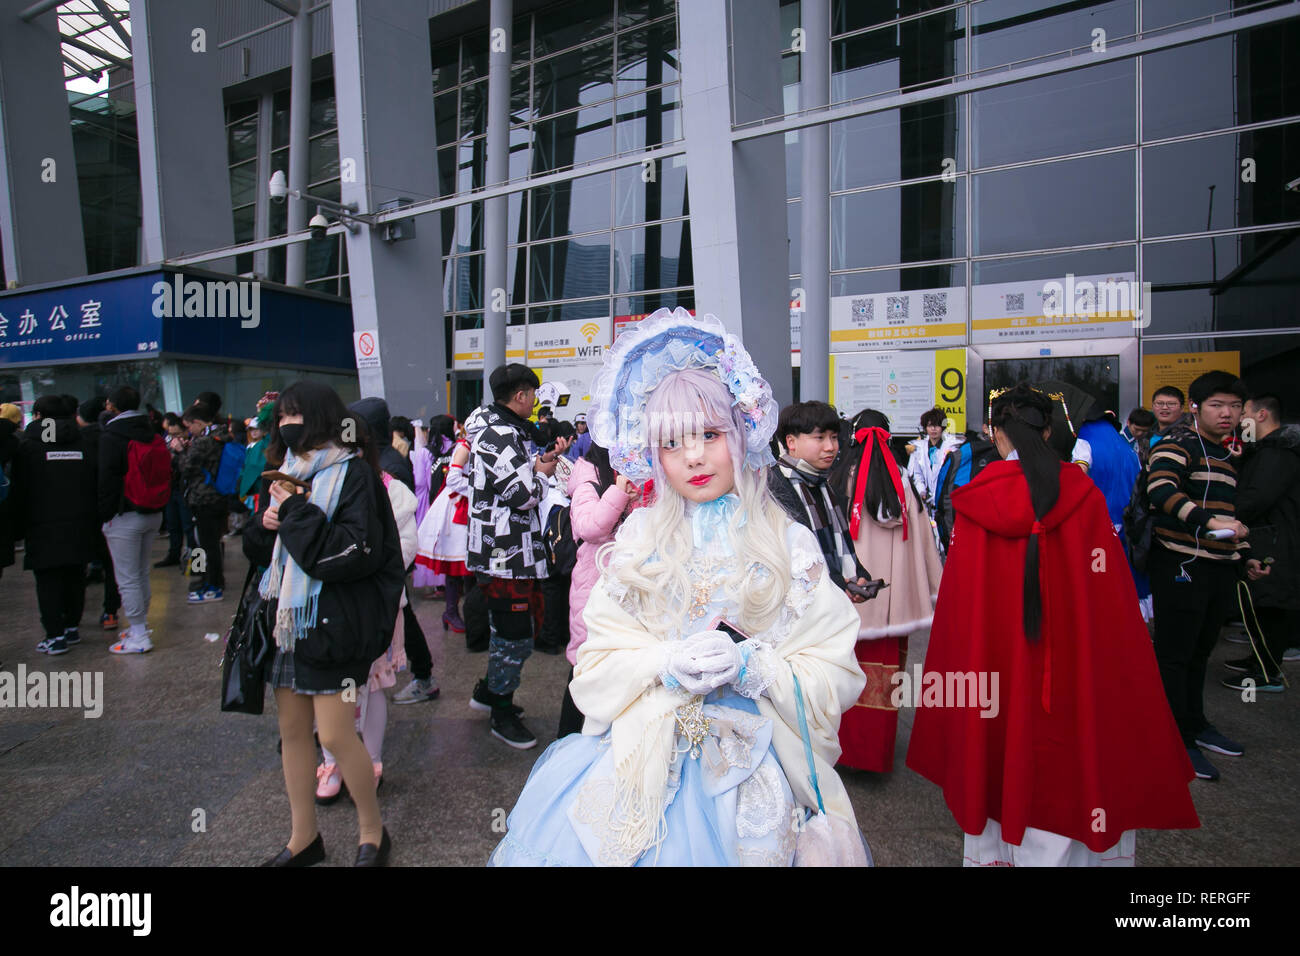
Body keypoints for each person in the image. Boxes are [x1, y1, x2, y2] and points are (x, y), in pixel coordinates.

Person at [489, 308, 870, 867]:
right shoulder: (639, 537)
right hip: (645, 754)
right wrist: (666, 661)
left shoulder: (787, 542)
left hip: (756, 771)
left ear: (741, 436)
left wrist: (754, 668)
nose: (693, 456)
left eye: (710, 435)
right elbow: (596, 659)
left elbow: (834, 666)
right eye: (672, 443)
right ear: (651, 456)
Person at [907, 384, 1200, 865]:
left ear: (996, 434)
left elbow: (964, 614)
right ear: (1048, 432)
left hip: (996, 672)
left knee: (997, 753)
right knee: (1078, 755)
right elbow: (1109, 604)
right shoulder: (1082, 496)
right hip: (1071, 666)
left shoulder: (977, 501)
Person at [241, 380, 404, 866]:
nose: (287, 426)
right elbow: (260, 553)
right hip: (287, 622)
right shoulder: (288, 470)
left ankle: (373, 831)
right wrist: (264, 524)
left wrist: (291, 512)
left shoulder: (354, 474)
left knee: (334, 735)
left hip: (335, 625)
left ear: (322, 419)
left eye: (297, 416)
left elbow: (350, 553)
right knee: (292, 732)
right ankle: (303, 838)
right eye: (282, 418)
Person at [1146, 371, 1253, 781]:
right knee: (1175, 654)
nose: (1226, 413)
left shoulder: (1227, 454)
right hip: (1179, 561)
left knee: (1201, 652)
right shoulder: (1178, 444)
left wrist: (1244, 553)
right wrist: (1210, 523)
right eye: (1216, 405)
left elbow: (1233, 514)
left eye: (1233, 405)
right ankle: (1174, 738)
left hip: (1219, 564)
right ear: (1196, 408)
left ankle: (1195, 724)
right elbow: (1161, 490)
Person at [830, 409, 944, 772]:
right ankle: (875, 755)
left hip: (847, 601)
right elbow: (925, 543)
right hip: (889, 604)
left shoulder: (838, 482)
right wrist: (932, 588)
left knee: (841, 675)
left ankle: (839, 752)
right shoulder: (905, 485)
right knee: (882, 677)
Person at [464, 364, 570, 749]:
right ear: (522, 395)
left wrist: (537, 467)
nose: (536, 402)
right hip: (505, 555)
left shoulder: (500, 430)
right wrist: (542, 473)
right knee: (515, 636)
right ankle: (501, 710)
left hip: (504, 553)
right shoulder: (501, 434)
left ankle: (490, 692)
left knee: (506, 631)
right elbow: (523, 496)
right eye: (533, 395)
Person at [315, 415, 418, 804]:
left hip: (375, 605)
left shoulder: (391, 492)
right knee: (330, 688)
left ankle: (372, 762)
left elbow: (405, 548)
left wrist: (360, 567)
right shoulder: (314, 488)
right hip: (326, 607)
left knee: (374, 687)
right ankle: (333, 762)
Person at [349, 399, 440, 707]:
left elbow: (397, 522)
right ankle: (419, 675)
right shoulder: (382, 458)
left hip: (383, 563)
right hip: (384, 563)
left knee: (402, 616)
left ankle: (421, 677)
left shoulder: (385, 466)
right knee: (403, 614)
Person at [557, 442, 639, 736]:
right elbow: (589, 527)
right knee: (586, 667)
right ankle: (568, 743)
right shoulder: (587, 476)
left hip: (631, 590)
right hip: (593, 588)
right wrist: (618, 492)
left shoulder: (637, 474)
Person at [768, 400, 880, 604]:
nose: (830, 447)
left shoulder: (825, 486)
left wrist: (859, 574)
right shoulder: (772, 487)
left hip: (829, 608)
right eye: (819, 438)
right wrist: (836, 582)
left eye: (834, 437)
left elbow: (840, 546)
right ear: (791, 442)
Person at [11, 395, 99, 655]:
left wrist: (16, 527)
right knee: (75, 574)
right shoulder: (84, 442)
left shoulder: (29, 447)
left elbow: (19, 490)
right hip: (80, 521)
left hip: (43, 524)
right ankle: (71, 627)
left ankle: (54, 635)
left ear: (37, 415)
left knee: (48, 579)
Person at [1222, 394, 1298, 693]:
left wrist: (1226, 515)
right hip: (1270, 535)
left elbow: (1258, 497)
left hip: (1274, 539)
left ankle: (1266, 673)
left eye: (1245, 412)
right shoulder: (1267, 450)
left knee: (1270, 604)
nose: (1239, 418)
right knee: (1262, 604)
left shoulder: (1278, 453)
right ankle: (1259, 661)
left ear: (1262, 414)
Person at [99, 385, 170, 655]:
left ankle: (139, 634)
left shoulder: (112, 436)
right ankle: (140, 626)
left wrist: (104, 514)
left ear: (112, 406)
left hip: (124, 514)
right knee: (140, 573)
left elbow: (106, 479)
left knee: (127, 577)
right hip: (153, 511)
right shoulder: (151, 432)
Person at [77, 397, 122, 631]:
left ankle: (68, 622)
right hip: (112, 510)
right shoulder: (112, 438)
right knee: (112, 562)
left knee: (76, 563)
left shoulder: (77, 441)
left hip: (84, 511)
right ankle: (110, 612)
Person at [180, 400, 230, 603]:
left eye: (189, 425)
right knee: (212, 543)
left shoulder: (203, 441)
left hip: (203, 498)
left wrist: (179, 452)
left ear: (199, 422)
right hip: (219, 496)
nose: (189, 430)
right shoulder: (223, 436)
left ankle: (209, 582)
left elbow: (187, 467)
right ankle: (210, 579)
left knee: (203, 543)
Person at [156, 413, 197, 569]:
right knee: (173, 525)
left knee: (192, 529)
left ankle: (197, 566)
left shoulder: (194, 445)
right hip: (173, 489)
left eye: (177, 434)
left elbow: (190, 468)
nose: (173, 438)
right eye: (170, 434)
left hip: (191, 493)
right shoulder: (169, 444)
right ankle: (173, 554)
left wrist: (180, 452)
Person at [906, 407, 960, 506]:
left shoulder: (952, 448)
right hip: (926, 502)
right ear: (925, 427)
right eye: (930, 425)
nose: (933, 429)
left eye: (937, 425)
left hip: (947, 500)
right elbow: (917, 475)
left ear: (942, 427)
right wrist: (922, 491)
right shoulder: (919, 448)